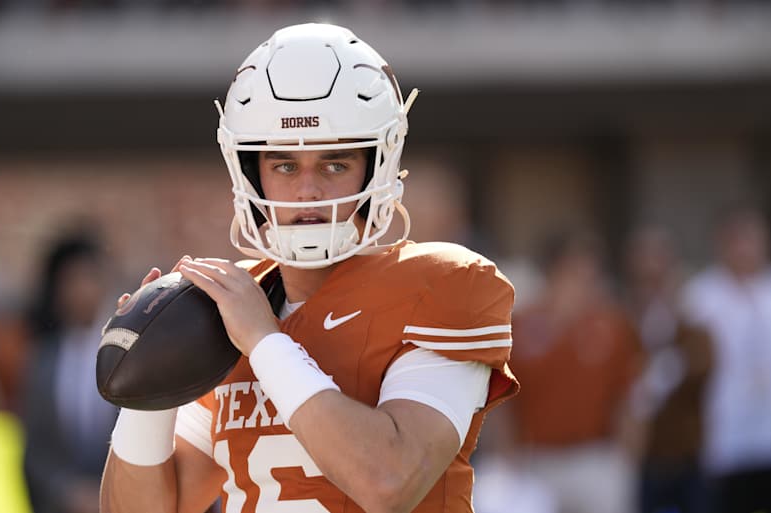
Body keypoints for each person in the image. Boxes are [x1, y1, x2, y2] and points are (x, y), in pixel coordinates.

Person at [100, 23, 519, 513]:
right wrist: (150, 383)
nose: (307, 193)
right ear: (250, 173)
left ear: (378, 165)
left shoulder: (442, 282)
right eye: (284, 166)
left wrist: (265, 341)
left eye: (334, 165)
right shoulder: (230, 306)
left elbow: (389, 480)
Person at [505, 230, 643, 513]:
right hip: (537, 460)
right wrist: (508, 456)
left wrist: (625, 461)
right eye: (574, 268)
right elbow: (504, 400)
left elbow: (629, 396)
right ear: (553, 270)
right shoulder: (522, 324)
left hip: (595, 458)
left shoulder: (612, 324)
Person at [681, 204, 771, 513]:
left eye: (750, 239)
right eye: (735, 240)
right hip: (722, 436)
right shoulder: (700, 297)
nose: (744, 249)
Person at [22, 232, 119, 513]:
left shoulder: (129, 352)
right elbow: (35, 449)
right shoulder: (43, 359)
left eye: (88, 279)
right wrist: (67, 491)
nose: (80, 291)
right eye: (70, 281)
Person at [622, 225, 712, 513]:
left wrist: (675, 365)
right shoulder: (622, 317)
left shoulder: (692, 314)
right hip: (638, 454)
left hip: (686, 450)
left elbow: (704, 365)